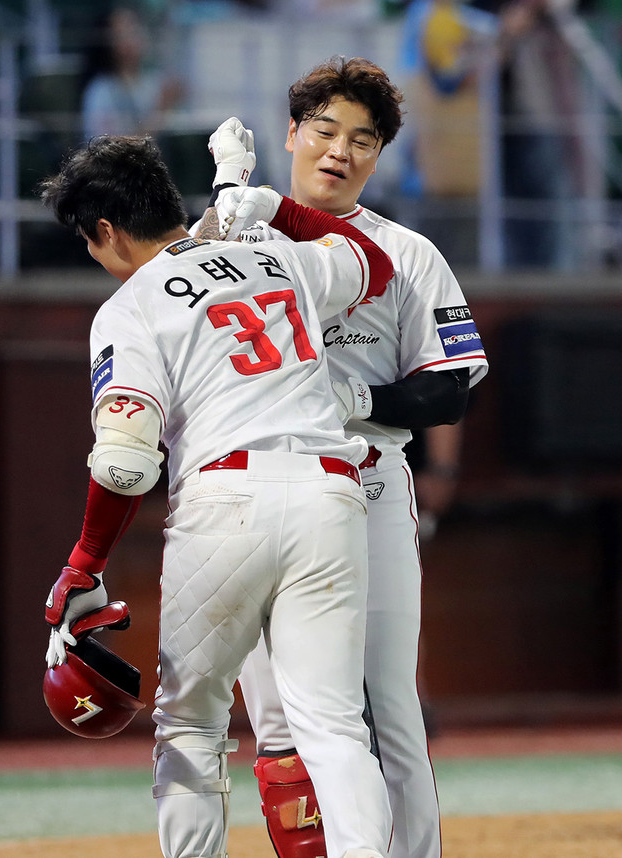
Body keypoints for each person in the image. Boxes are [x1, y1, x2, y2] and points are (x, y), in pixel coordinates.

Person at [40, 134, 398, 858]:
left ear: (105, 229)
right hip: (330, 495)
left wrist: (84, 562)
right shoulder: (278, 255)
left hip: (225, 500)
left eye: (88, 242)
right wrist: (280, 210)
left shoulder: (127, 307)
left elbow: (124, 465)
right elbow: (376, 264)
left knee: (192, 725)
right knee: (330, 726)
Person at [198, 57, 489, 858]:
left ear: (380, 154)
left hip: (366, 484)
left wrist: (357, 402)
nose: (340, 151)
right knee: (278, 720)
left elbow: (451, 388)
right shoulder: (233, 240)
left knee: (388, 701)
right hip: (254, 495)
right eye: (324, 130)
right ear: (292, 134)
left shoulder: (407, 253)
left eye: (363, 139)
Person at [80, 5, 183, 140]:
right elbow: (110, 151)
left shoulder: (154, 81)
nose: (135, 36)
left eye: (135, 28)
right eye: (124, 33)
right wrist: (161, 110)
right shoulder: (101, 91)